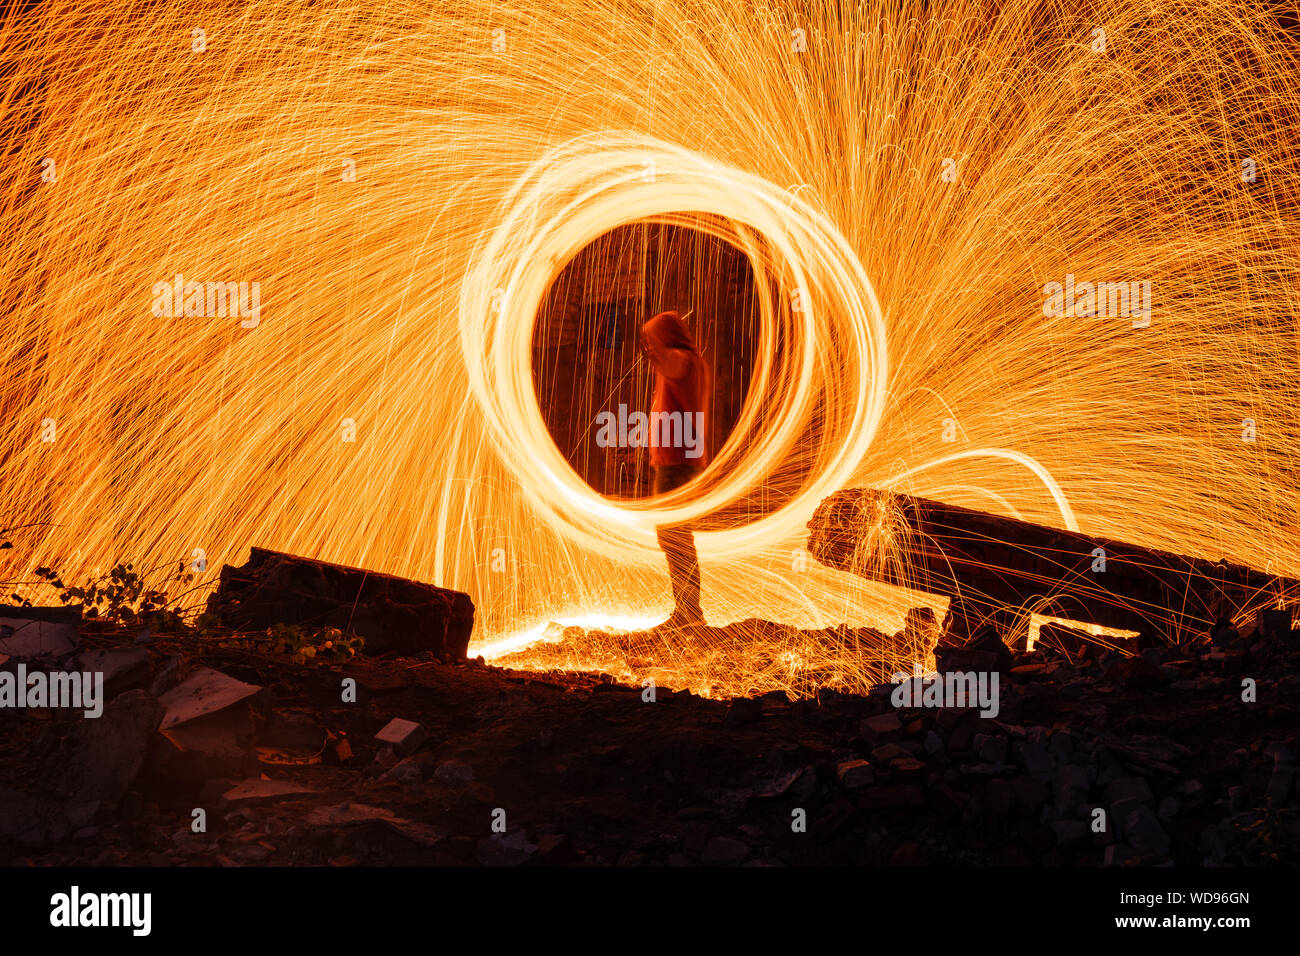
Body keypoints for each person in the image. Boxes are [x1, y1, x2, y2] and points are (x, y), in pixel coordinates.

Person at [639, 310, 712, 629]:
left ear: (667, 338)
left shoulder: (683, 359)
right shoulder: (682, 361)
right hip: (673, 460)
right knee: (673, 538)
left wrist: (651, 350)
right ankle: (686, 610)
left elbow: (670, 362)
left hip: (679, 463)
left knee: (676, 538)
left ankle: (689, 612)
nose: (648, 346)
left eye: (654, 338)